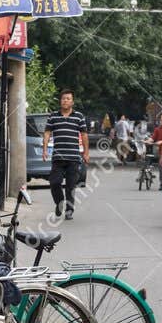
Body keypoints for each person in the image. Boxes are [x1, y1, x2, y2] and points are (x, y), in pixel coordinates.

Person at [43, 89, 90, 225]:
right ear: (60, 101)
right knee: (54, 182)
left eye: (68, 99)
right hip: (57, 157)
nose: (66, 101)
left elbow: (84, 135)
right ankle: (59, 202)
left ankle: (69, 210)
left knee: (70, 186)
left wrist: (86, 153)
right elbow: (47, 133)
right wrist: (45, 150)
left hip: (73, 157)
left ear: (72, 102)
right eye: (64, 98)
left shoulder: (79, 117)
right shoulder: (53, 116)